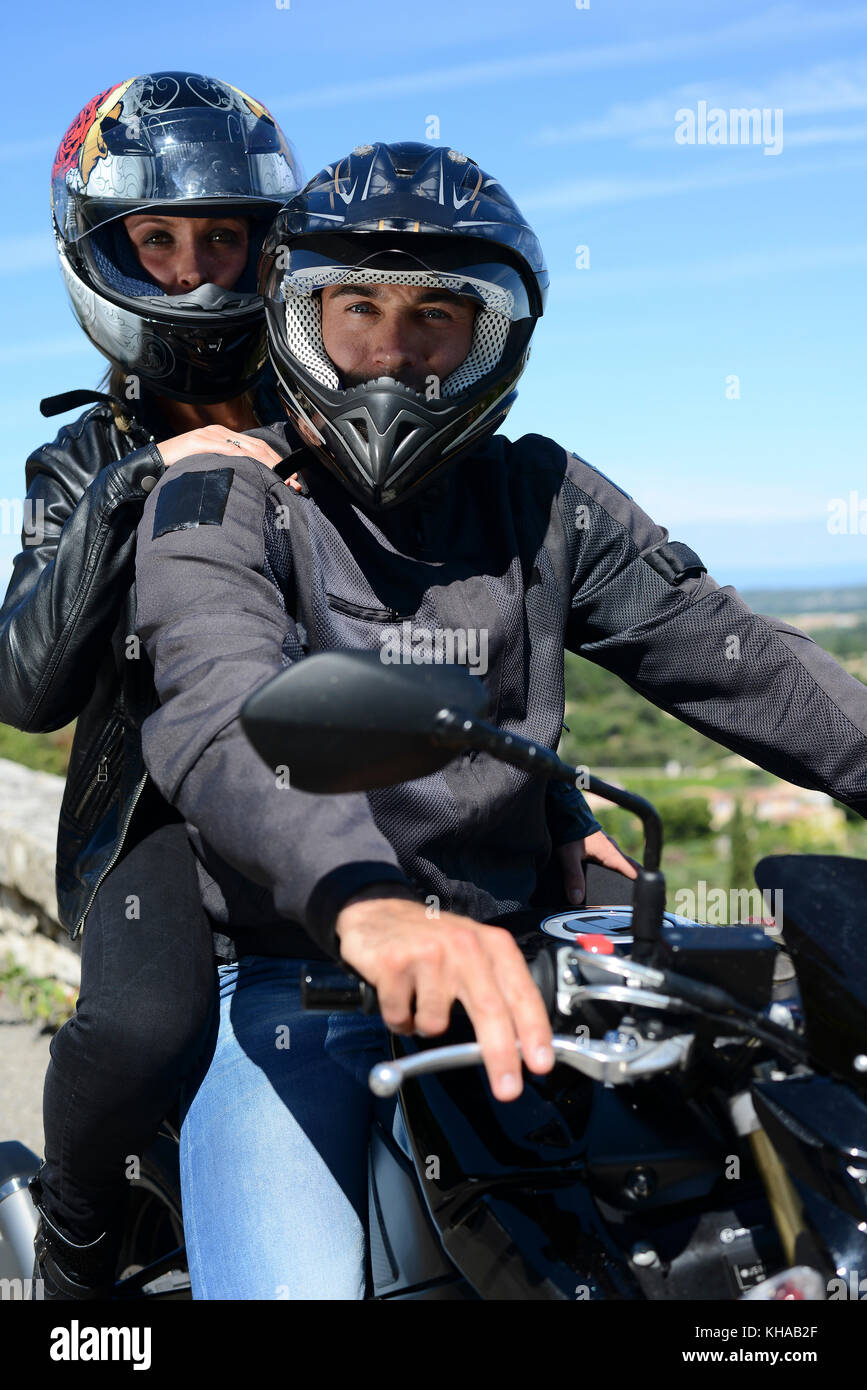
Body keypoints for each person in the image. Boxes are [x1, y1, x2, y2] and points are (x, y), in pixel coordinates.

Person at [134, 141, 866, 1301]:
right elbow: (221, 707)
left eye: (436, 314)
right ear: (299, 319)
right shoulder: (223, 497)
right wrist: (371, 906)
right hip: (302, 976)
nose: (391, 350)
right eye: (356, 309)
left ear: (493, 337)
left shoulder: (540, 497)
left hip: (536, 960)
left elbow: (743, 658)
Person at [0, 70, 307, 1298]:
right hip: (156, 812)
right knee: (140, 1028)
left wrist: (561, 804)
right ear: (103, 250)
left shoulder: (337, 417)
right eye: (158, 241)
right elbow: (25, 681)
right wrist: (142, 484)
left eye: (222, 238)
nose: (193, 274)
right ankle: (72, 1251)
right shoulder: (77, 459)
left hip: (348, 774)